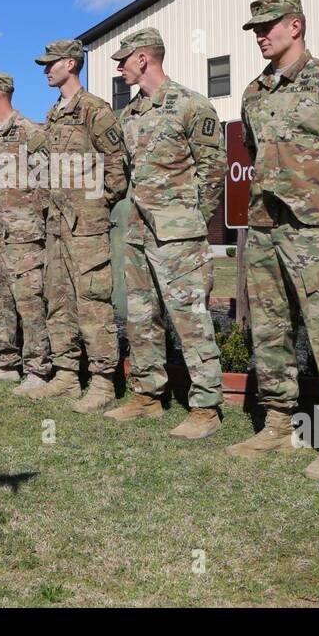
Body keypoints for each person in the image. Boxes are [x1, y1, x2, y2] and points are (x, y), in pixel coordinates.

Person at [231, 0, 319, 478]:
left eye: (268, 26)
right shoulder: (253, 92)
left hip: (317, 231)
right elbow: (254, 152)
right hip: (265, 227)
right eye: (254, 29)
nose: (260, 36)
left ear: (296, 25)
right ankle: (278, 421)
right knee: (270, 329)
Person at [106, 28, 226, 440]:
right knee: (140, 318)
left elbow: (213, 173)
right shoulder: (128, 116)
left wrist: (189, 223)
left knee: (191, 320)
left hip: (180, 238)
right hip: (138, 232)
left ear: (144, 58)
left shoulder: (192, 105)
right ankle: (147, 395)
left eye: (124, 58)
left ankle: (206, 407)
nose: (119, 66)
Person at [34, 38, 128, 413]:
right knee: (58, 299)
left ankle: (103, 382)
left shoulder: (96, 110)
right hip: (56, 224)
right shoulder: (54, 113)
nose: (46, 70)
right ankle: (66, 374)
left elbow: (117, 166)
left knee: (92, 301)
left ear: (71, 64)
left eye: (51, 64)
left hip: (86, 225)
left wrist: (96, 203)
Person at [0, 72, 53, 396]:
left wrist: (30, 216)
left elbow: (50, 180)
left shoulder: (30, 132)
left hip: (23, 234)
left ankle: (38, 371)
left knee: (29, 302)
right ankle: (5, 364)